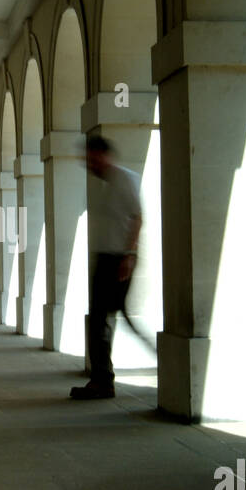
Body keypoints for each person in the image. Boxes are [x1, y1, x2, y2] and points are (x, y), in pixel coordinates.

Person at [71, 135, 142, 400]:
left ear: (103, 155)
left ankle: (102, 381)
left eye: (90, 158)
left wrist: (128, 255)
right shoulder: (105, 183)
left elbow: (137, 217)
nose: (87, 163)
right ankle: (102, 379)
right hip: (106, 257)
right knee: (102, 319)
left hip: (117, 258)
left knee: (101, 320)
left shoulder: (123, 179)